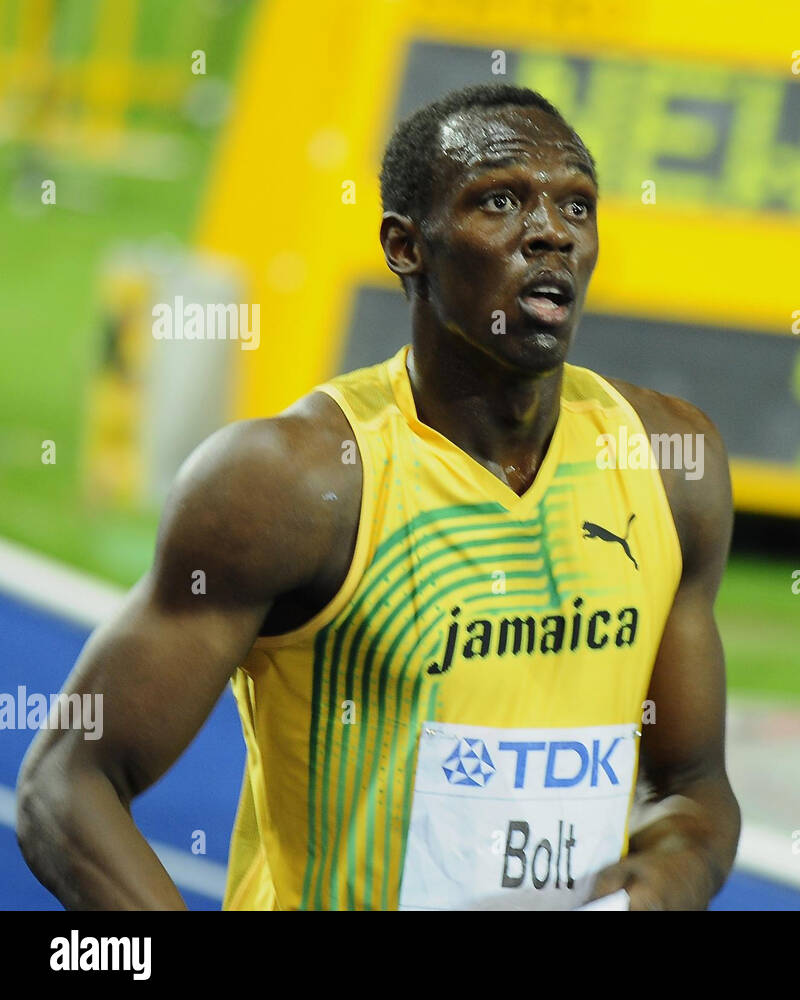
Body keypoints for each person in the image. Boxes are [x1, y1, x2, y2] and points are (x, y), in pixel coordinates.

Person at [17, 84, 741, 910]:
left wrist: (663, 882)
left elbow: (693, 789)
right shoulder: (291, 485)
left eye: (577, 206)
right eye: (501, 201)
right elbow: (70, 782)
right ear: (407, 246)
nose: (551, 232)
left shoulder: (670, 465)